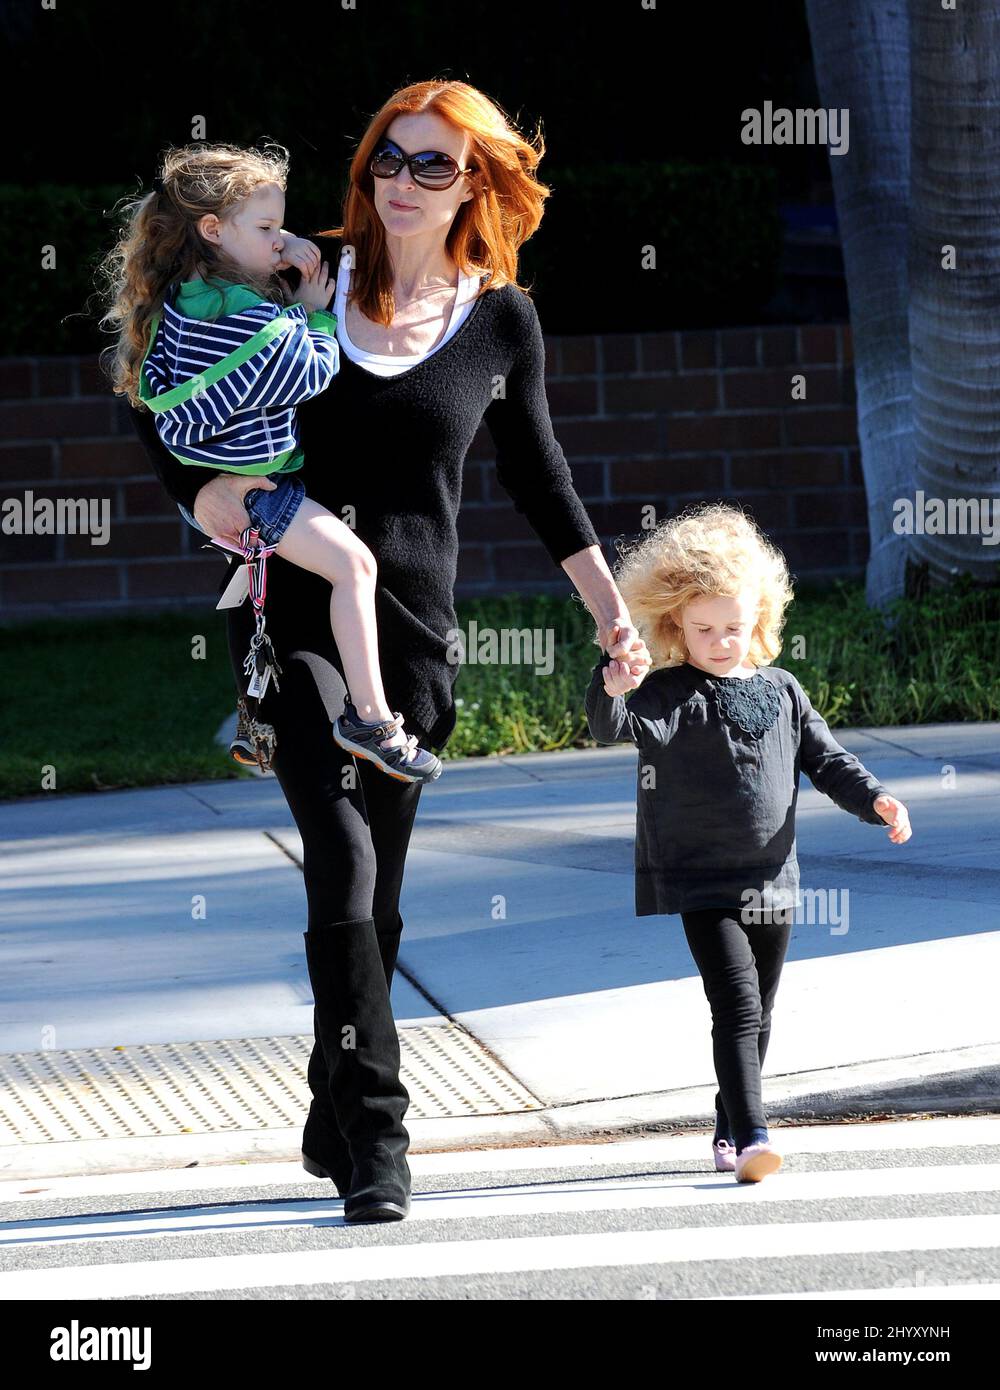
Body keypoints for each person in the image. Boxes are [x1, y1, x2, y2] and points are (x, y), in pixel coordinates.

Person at [123, 81, 652, 1222]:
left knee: (380, 897)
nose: (399, 184)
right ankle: (378, 1136)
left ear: (476, 184)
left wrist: (612, 614)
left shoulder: (500, 319)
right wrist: (203, 489)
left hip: (413, 632)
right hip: (290, 612)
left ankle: (332, 1090)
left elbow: (540, 478)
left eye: (431, 166)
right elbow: (169, 385)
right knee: (345, 861)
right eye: (385, 161)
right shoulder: (295, 271)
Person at [585, 501, 912, 1184]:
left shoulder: (783, 691)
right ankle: (756, 1136)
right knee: (734, 1004)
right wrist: (611, 684)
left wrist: (875, 800)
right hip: (701, 878)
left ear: (758, 618)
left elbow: (827, 761)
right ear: (676, 622)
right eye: (704, 629)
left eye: (734, 627)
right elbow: (616, 727)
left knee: (758, 1014)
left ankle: (730, 1121)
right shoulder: (670, 693)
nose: (722, 641)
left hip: (773, 878)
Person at [99, 140, 440, 783]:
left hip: (233, 489)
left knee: (323, 583)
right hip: (259, 492)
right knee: (354, 566)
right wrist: (311, 314)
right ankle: (372, 718)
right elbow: (304, 374)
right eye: (265, 228)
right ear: (212, 230)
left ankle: (348, 716)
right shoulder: (242, 312)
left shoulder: (187, 299)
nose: (281, 241)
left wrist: (283, 301)